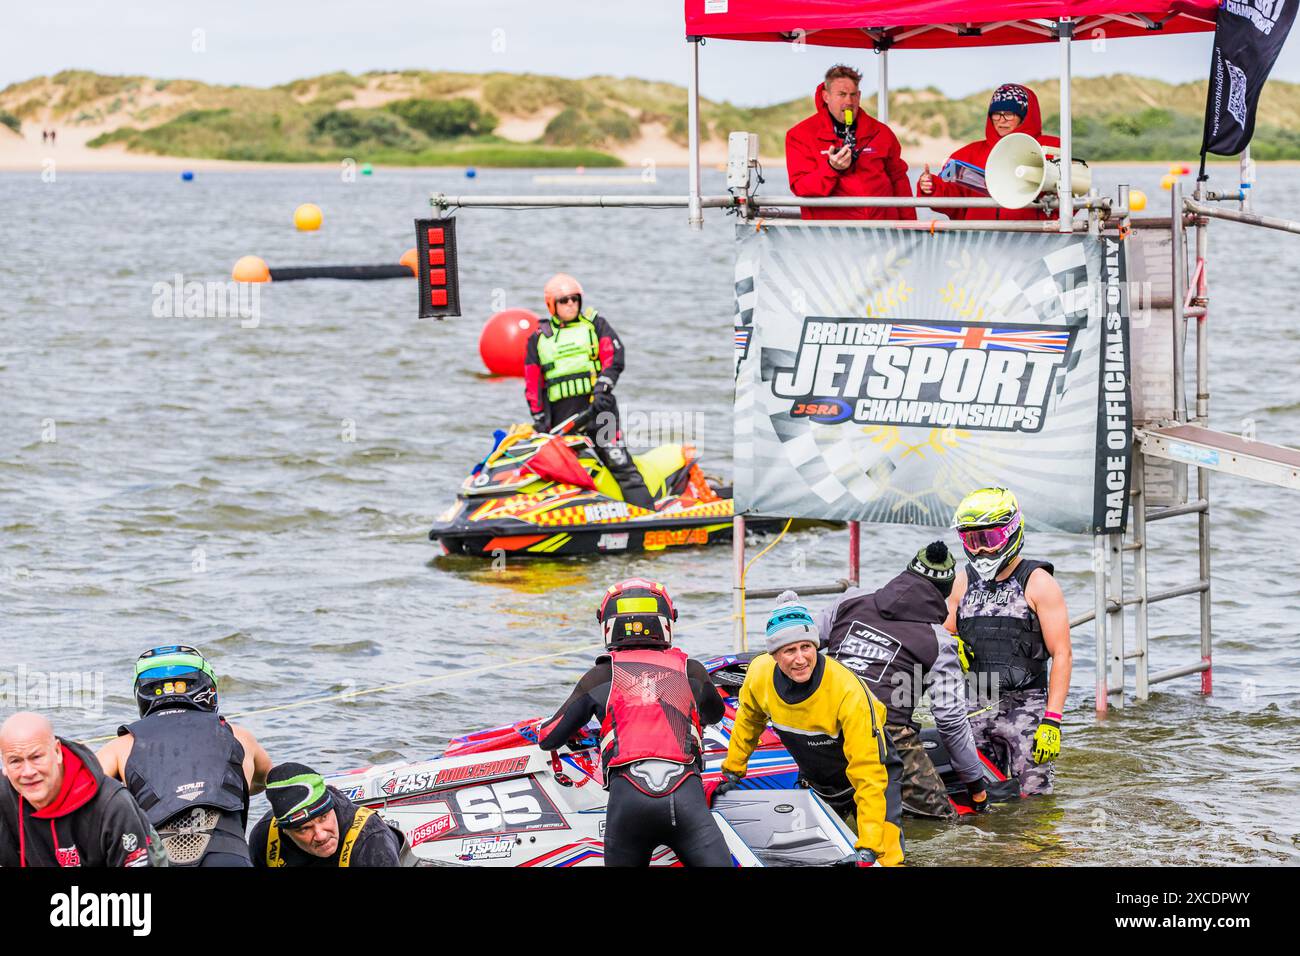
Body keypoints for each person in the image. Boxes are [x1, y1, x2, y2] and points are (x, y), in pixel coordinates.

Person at [538, 578, 731, 867]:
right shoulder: (692, 670)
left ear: (605, 622)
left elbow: (549, 738)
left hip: (628, 806)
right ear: (668, 620)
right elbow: (715, 714)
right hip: (687, 802)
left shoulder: (600, 676)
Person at [715, 593, 905, 866]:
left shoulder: (846, 691)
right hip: (819, 776)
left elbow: (868, 774)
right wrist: (733, 770)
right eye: (789, 651)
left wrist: (870, 848)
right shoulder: (759, 674)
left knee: (885, 859)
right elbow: (749, 721)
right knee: (813, 857)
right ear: (774, 654)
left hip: (873, 774)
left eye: (807, 647)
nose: (801, 659)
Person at [817, 542, 988, 819]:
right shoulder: (939, 641)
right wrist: (976, 786)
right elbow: (951, 721)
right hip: (884, 732)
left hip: (822, 721)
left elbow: (805, 646)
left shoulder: (850, 599)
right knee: (944, 824)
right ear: (943, 594)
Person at [945, 487, 1072, 796]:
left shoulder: (1039, 582)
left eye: (989, 540)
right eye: (972, 541)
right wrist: (951, 645)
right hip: (974, 705)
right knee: (975, 799)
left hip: (1026, 706)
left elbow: (1062, 654)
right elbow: (944, 634)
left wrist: (1052, 722)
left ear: (1011, 532)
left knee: (1034, 799)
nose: (982, 551)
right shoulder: (963, 580)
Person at [97, 645, 272, 866]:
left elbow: (81, 794)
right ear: (208, 688)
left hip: (160, 859)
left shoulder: (123, 745)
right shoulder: (238, 735)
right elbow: (270, 780)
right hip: (229, 857)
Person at [523, 273, 655, 510]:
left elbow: (614, 356)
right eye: (564, 300)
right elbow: (533, 383)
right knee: (558, 473)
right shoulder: (538, 338)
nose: (571, 304)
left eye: (575, 299)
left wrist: (604, 386)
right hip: (561, 419)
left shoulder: (596, 325)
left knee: (620, 465)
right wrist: (539, 418)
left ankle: (648, 516)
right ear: (552, 304)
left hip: (599, 412)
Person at [0, 711, 166, 867]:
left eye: (36, 757)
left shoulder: (113, 805)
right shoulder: (4, 798)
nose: (28, 772)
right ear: (4, 764)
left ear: (57, 751)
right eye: (15, 761)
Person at [785, 64, 917, 222]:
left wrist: (910, 226)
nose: (849, 101)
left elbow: (899, 181)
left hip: (883, 231)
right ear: (826, 96)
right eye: (842, 94)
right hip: (833, 235)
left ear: (859, 96)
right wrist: (832, 168)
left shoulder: (881, 132)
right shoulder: (800, 135)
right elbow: (801, 188)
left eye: (853, 95)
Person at [917, 83, 1061, 221]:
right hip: (979, 241)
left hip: (1034, 241)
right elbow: (951, 196)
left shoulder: (1052, 148)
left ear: (1024, 116)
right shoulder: (967, 155)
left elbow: (1076, 188)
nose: (1001, 120)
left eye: (1009, 114)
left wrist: (1049, 220)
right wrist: (931, 186)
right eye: (996, 114)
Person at [248, 762, 409, 867]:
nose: (320, 835)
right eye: (304, 829)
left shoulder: (371, 842)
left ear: (332, 807)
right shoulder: (264, 838)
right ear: (285, 830)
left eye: (323, 818)